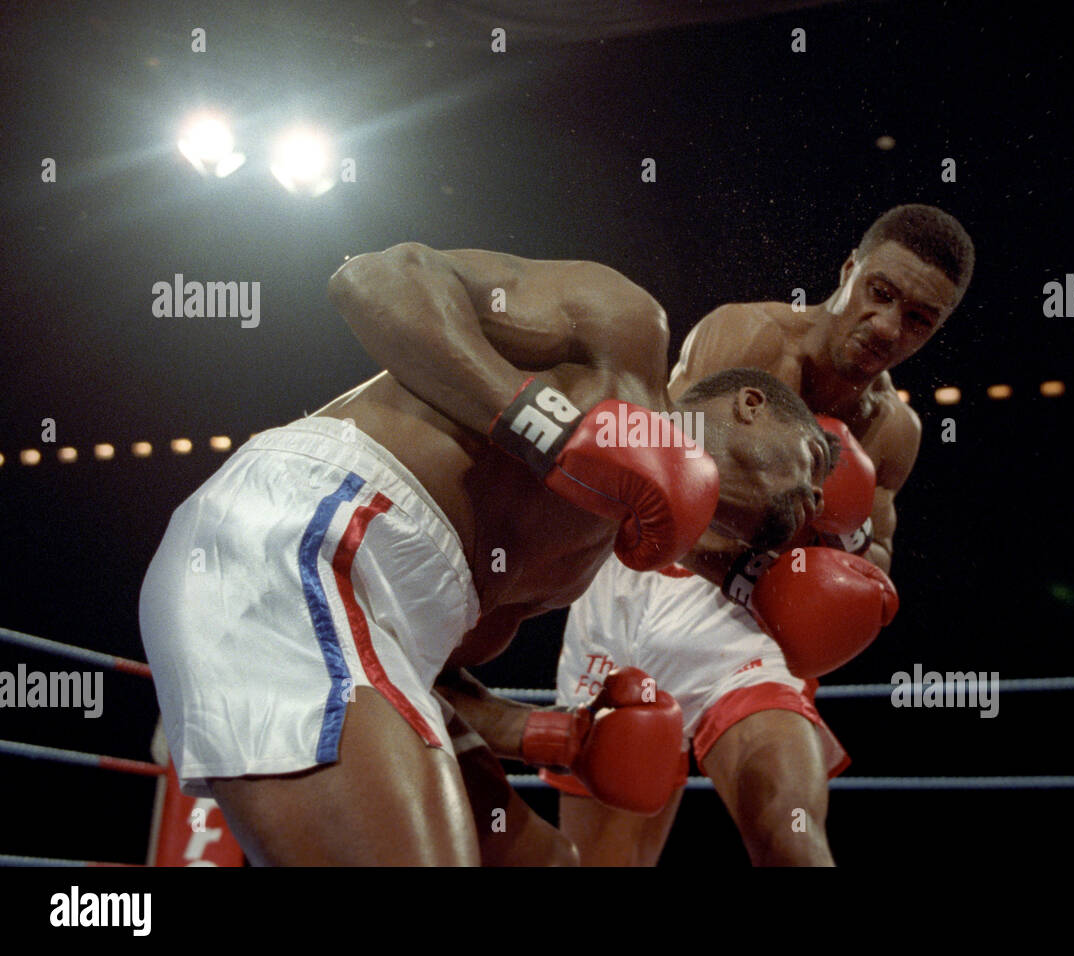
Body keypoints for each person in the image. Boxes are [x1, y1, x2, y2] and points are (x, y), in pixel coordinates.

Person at [138, 243, 837, 865]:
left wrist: (552, 737)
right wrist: (548, 430)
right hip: (304, 529)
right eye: (812, 462)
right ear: (751, 403)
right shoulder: (624, 336)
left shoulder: (579, 567)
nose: (814, 498)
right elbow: (376, 278)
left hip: (362, 613)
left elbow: (431, 676)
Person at [547, 204, 975, 865]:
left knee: (793, 842)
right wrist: (772, 525)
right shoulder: (750, 338)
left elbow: (876, 560)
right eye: (880, 294)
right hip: (635, 585)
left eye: (919, 320)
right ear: (850, 269)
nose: (888, 327)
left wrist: (850, 558)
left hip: (742, 623)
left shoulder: (894, 433)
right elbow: (660, 473)